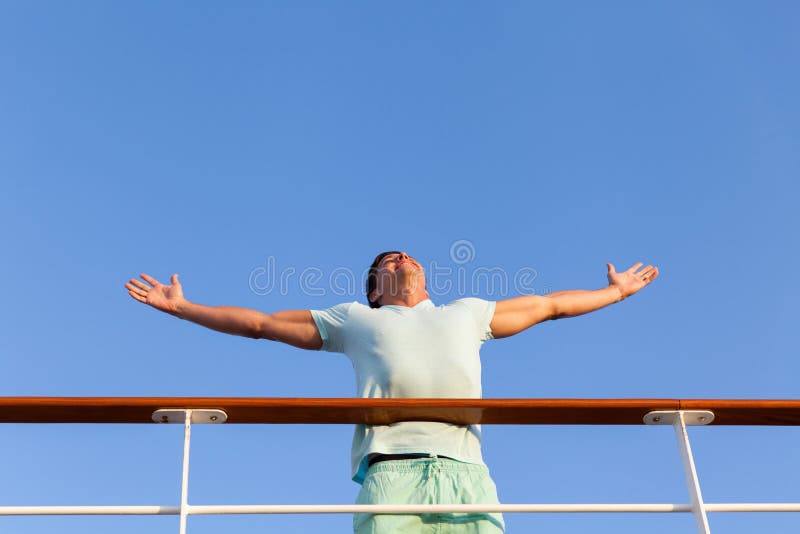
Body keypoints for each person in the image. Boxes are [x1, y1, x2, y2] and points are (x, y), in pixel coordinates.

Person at [125, 251, 658, 533]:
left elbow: (549, 305)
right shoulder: (354, 319)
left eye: (408, 258)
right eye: (388, 262)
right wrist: (182, 307)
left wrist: (614, 292)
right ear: (375, 290)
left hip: (467, 473)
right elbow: (261, 323)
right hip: (390, 471)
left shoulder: (467, 313)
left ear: (426, 279)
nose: (401, 260)